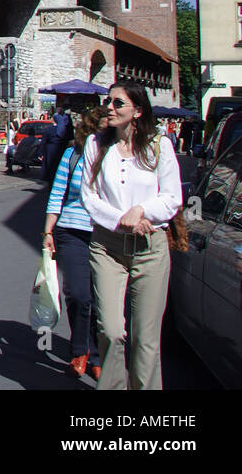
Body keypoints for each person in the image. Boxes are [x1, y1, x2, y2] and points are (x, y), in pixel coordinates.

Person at [80, 81, 182, 390]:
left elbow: (172, 197)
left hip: (150, 249)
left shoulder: (159, 145)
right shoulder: (96, 145)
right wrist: (123, 221)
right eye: (108, 101)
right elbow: (89, 197)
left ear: (137, 111)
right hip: (108, 247)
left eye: (117, 103)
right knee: (110, 329)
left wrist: (141, 211)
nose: (109, 108)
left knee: (146, 338)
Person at [43, 105, 106, 380]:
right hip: (71, 230)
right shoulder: (73, 155)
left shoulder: (117, 159)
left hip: (105, 234)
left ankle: (96, 353)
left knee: (100, 299)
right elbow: (57, 194)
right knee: (78, 294)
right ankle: (80, 350)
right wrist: (47, 232)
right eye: (98, 130)